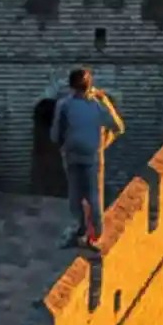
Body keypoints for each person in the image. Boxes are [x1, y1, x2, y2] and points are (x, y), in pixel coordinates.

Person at [51, 67, 125, 248]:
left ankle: (83, 232)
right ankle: (92, 236)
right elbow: (118, 128)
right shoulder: (98, 103)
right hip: (89, 156)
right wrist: (103, 143)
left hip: (74, 155)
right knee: (92, 197)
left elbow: (55, 135)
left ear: (71, 86)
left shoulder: (65, 105)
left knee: (77, 196)